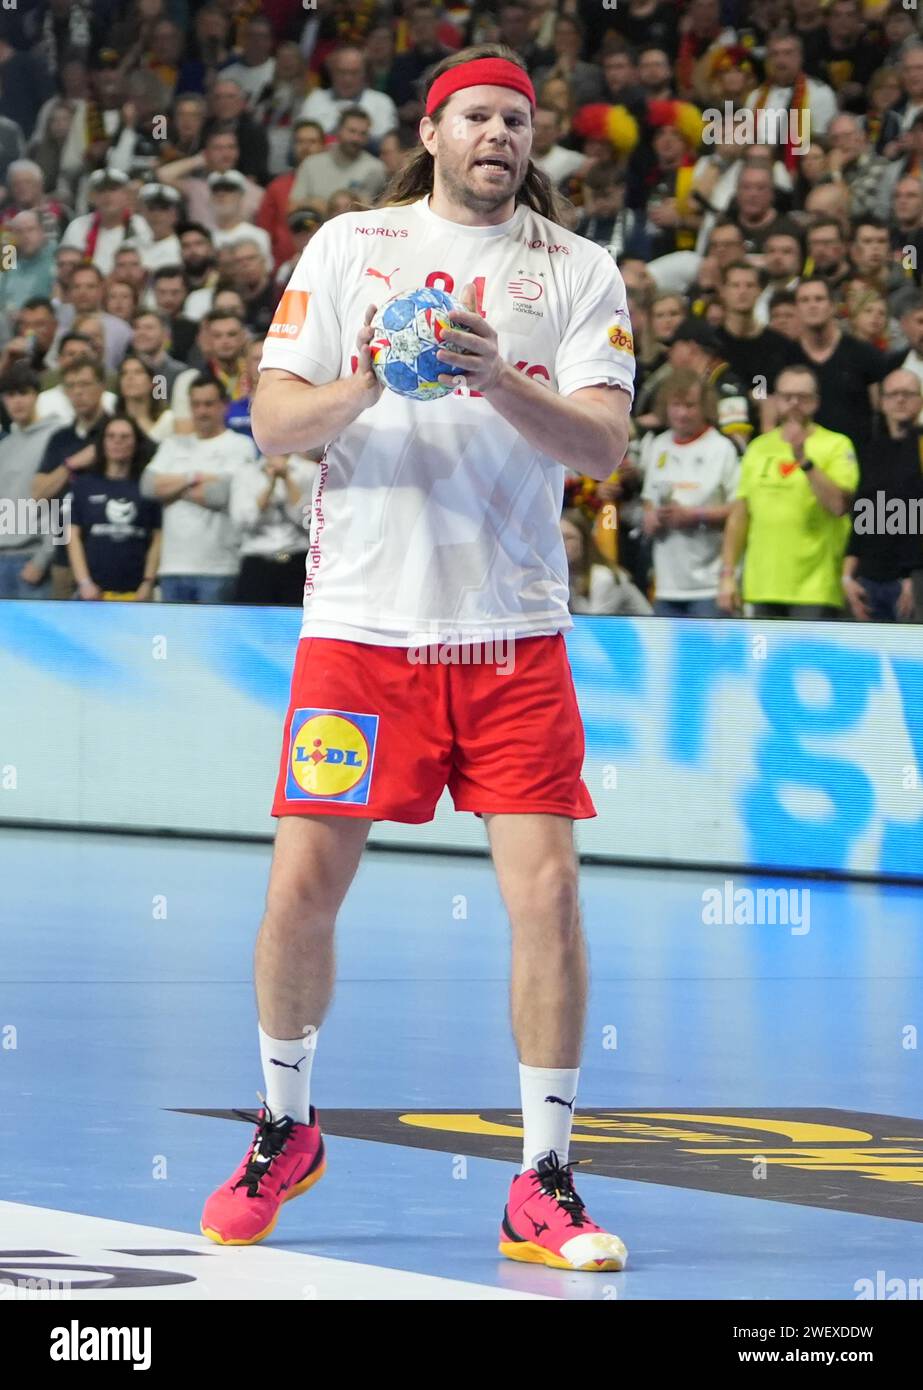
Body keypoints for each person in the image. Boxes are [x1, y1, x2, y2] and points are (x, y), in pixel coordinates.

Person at [200, 44, 634, 1273]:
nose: (498, 134)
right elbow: (273, 418)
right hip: (361, 631)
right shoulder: (350, 248)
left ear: (529, 142)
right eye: (476, 116)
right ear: (433, 132)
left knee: (547, 894)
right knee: (298, 894)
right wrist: (366, 380)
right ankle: (285, 1125)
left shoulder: (576, 270)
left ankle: (540, 1179)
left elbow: (599, 444)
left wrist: (496, 377)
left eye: (517, 120)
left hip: (513, 637)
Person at [718, 364, 858, 620]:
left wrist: (804, 461)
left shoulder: (837, 445)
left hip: (815, 589)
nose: (794, 403)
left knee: (809, 661)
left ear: (815, 402)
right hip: (761, 586)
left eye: (802, 398)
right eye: (786, 397)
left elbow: (839, 505)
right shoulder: (758, 448)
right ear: (775, 401)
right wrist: (727, 575)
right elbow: (740, 516)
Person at [139, 374, 256, 603]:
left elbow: (219, 495)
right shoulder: (172, 444)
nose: (202, 411)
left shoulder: (240, 445)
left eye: (209, 404)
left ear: (224, 406)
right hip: (172, 567)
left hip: (219, 568)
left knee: (214, 639)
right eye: (196, 404)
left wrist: (172, 488)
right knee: (174, 639)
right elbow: (148, 487)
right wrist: (195, 477)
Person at [640, 370, 739, 616]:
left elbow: (739, 509)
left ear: (705, 406)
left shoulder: (721, 448)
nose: (682, 413)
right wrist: (651, 517)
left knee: (708, 655)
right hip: (666, 585)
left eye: (690, 405)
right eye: (676, 405)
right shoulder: (658, 446)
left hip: (709, 586)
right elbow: (648, 500)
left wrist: (695, 515)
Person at [844, 369, 923, 623]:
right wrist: (848, 576)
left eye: (908, 394)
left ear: (920, 401)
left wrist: (915, 578)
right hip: (869, 579)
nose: (900, 400)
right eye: (894, 394)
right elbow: (862, 517)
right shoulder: (871, 450)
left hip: (913, 582)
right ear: (882, 402)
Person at [32, 355, 114, 599]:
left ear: (102, 387)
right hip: (63, 556)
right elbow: (38, 493)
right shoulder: (61, 438)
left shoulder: (118, 432)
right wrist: (72, 464)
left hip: (111, 555)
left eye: (85, 384)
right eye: (71, 386)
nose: (78, 392)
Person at [68, 414, 161, 602]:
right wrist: (84, 582)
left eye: (125, 437)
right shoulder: (84, 486)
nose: (117, 441)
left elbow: (158, 537)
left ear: (136, 443)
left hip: (137, 594)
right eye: (111, 436)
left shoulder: (148, 486)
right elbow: (72, 537)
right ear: (102, 443)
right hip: (93, 594)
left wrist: (148, 582)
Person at [0, 363, 61, 598]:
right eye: (10, 395)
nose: (17, 402)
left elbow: (64, 502)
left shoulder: (56, 435)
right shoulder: (4, 446)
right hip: (2, 557)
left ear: (36, 395)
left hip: (32, 559)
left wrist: (44, 558)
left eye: (23, 393)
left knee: (36, 636)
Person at [230, 451, 316, 605]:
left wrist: (286, 478)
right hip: (257, 564)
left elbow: (310, 523)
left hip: (297, 562)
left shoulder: (309, 471)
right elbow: (241, 522)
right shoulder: (245, 473)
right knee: (251, 625)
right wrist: (271, 485)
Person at [117, 353, 175, 444]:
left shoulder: (168, 420)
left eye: (138, 372)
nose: (130, 377)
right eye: (124, 373)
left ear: (152, 382)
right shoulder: (112, 424)